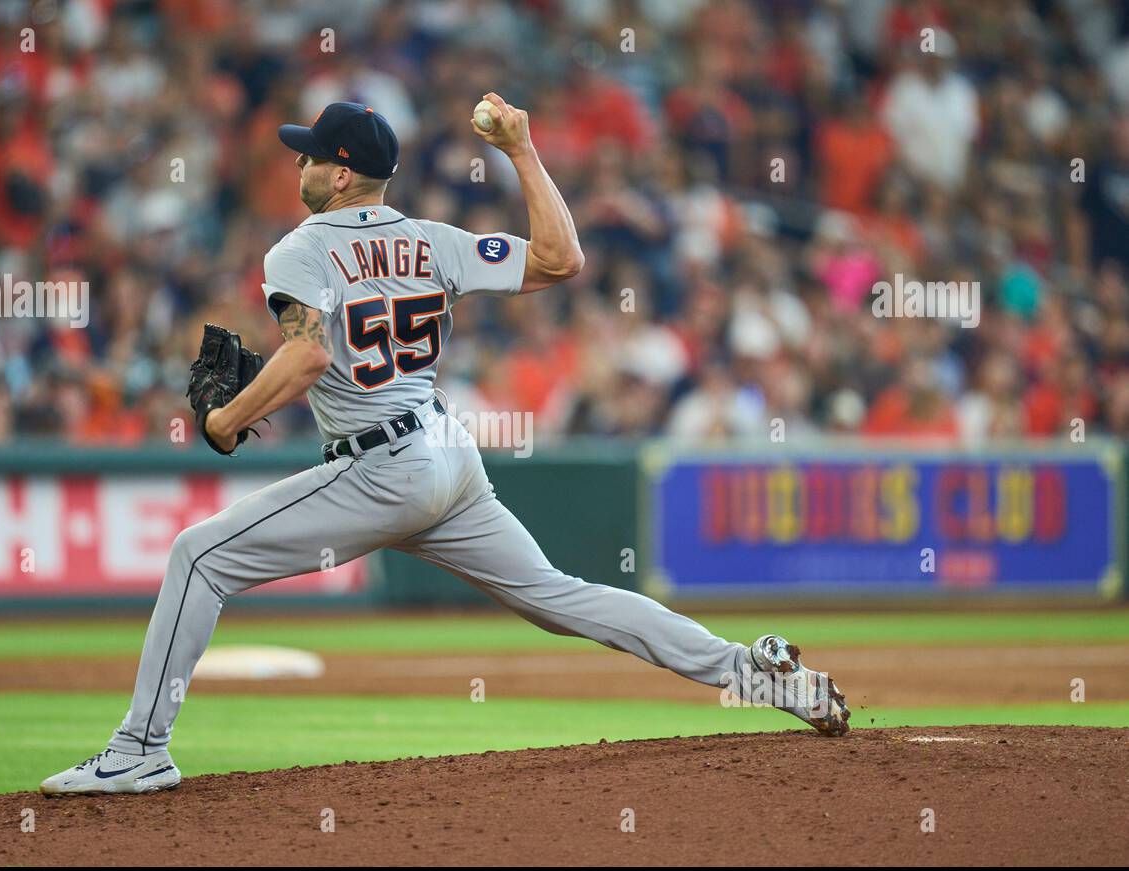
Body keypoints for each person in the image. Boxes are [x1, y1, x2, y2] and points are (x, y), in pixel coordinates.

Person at [41, 95, 849, 795]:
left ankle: (138, 753)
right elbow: (563, 259)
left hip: (380, 468)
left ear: (343, 173)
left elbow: (310, 353)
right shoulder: (433, 239)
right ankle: (753, 671)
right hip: (448, 456)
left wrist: (223, 422)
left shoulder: (299, 247)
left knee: (197, 557)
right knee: (561, 596)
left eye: (314, 157)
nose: (303, 167)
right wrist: (523, 150)